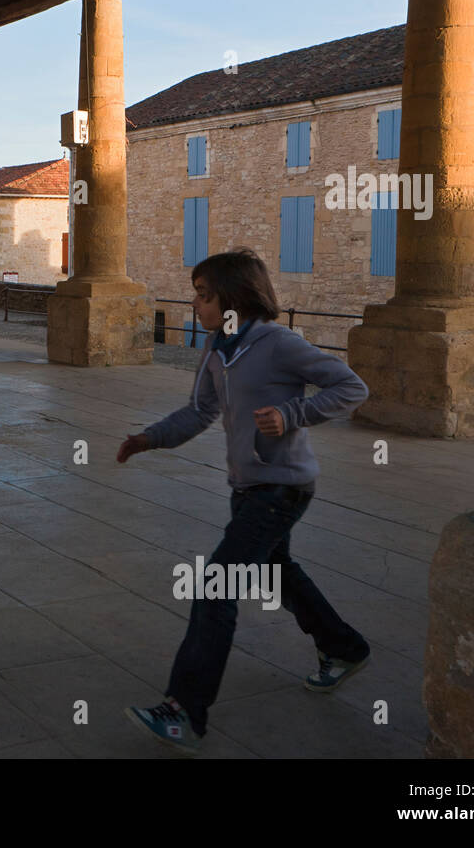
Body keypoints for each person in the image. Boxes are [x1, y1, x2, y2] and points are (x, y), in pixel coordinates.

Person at [118, 248, 371, 755]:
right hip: (247, 487)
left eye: (204, 294)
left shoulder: (279, 343)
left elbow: (351, 386)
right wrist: (150, 437)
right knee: (278, 571)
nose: (195, 303)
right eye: (195, 294)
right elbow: (199, 411)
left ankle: (183, 711)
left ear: (234, 297)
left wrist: (292, 412)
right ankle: (344, 648)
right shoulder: (215, 347)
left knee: (216, 586)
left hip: (283, 489)